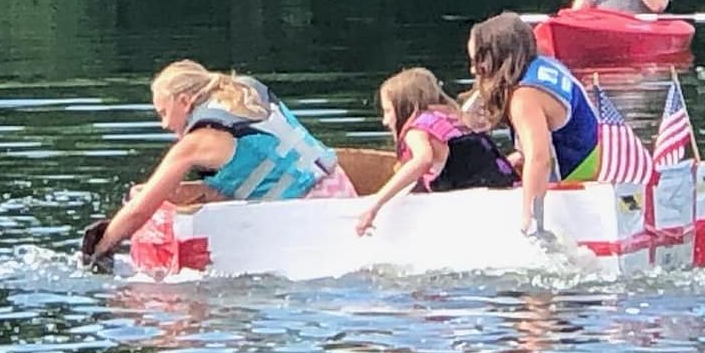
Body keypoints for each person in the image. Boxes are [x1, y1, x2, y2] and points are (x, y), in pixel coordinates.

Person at [84, 60, 356, 262]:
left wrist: (99, 248)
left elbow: (138, 212)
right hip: (341, 191)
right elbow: (256, 173)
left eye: (164, 113)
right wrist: (177, 193)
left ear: (185, 101)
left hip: (310, 218)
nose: (164, 124)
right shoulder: (246, 90)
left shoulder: (196, 142)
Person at [466, 12, 603, 235]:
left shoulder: (524, 97)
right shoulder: (544, 65)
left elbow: (539, 159)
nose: (473, 70)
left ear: (499, 55)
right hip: (601, 158)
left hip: (580, 179)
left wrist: (528, 217)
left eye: (478, 61)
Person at [353, 68, 517, 236]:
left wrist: (376, 204)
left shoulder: (417, 130)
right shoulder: (455, 117)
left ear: (405, 107)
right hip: (508, 187)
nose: (385, 121)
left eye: (388, 111)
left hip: (480, 204)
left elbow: (423, 160)